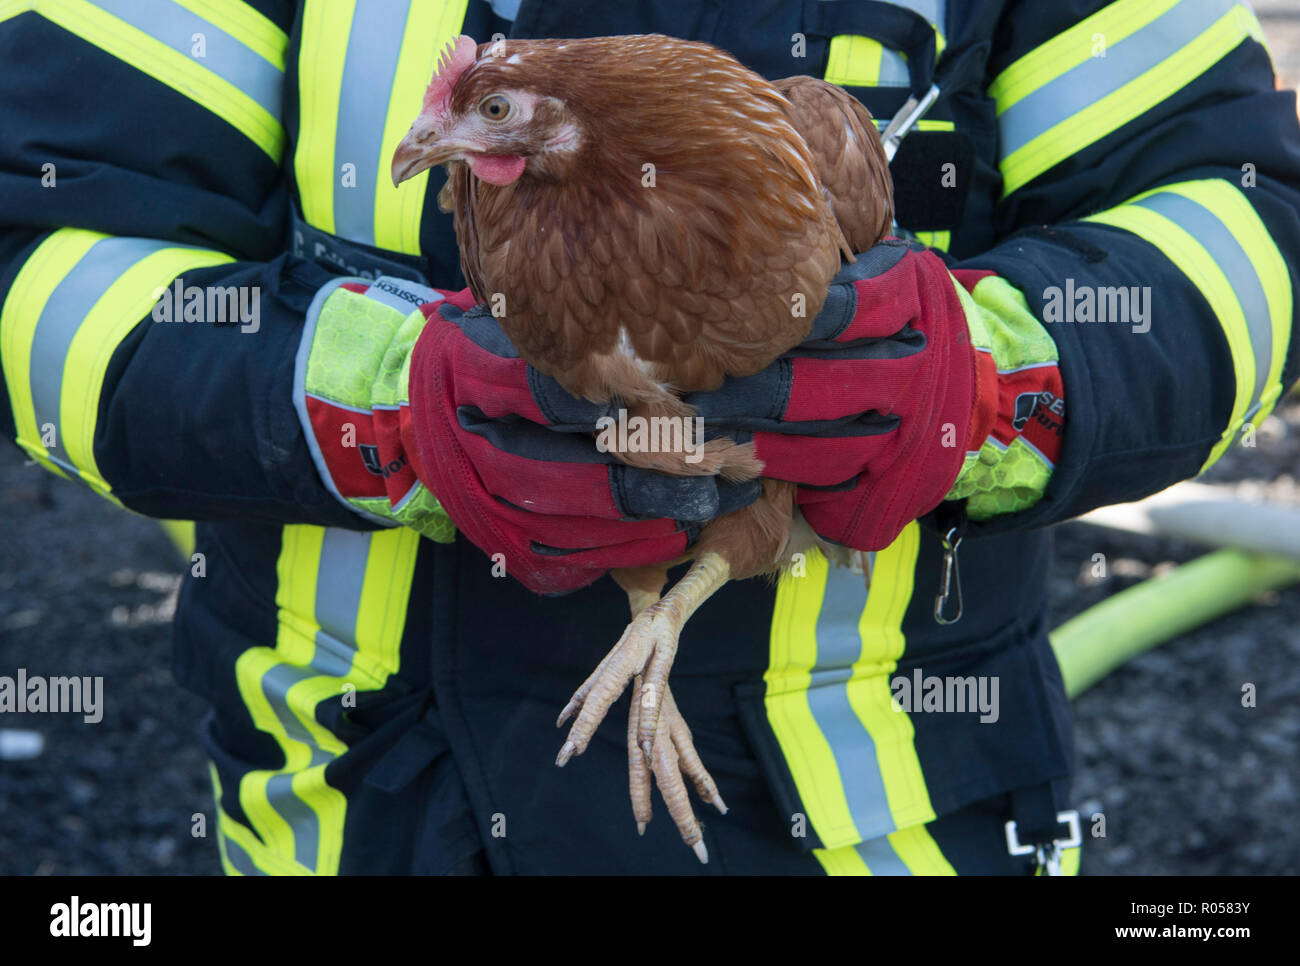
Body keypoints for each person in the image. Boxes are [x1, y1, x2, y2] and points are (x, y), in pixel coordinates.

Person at [1, 0, 1296, 875]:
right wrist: (381, 407)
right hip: (359, 812)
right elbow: (44, 246)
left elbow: (1235, 219)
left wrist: (994, 379)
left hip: (890, 819)